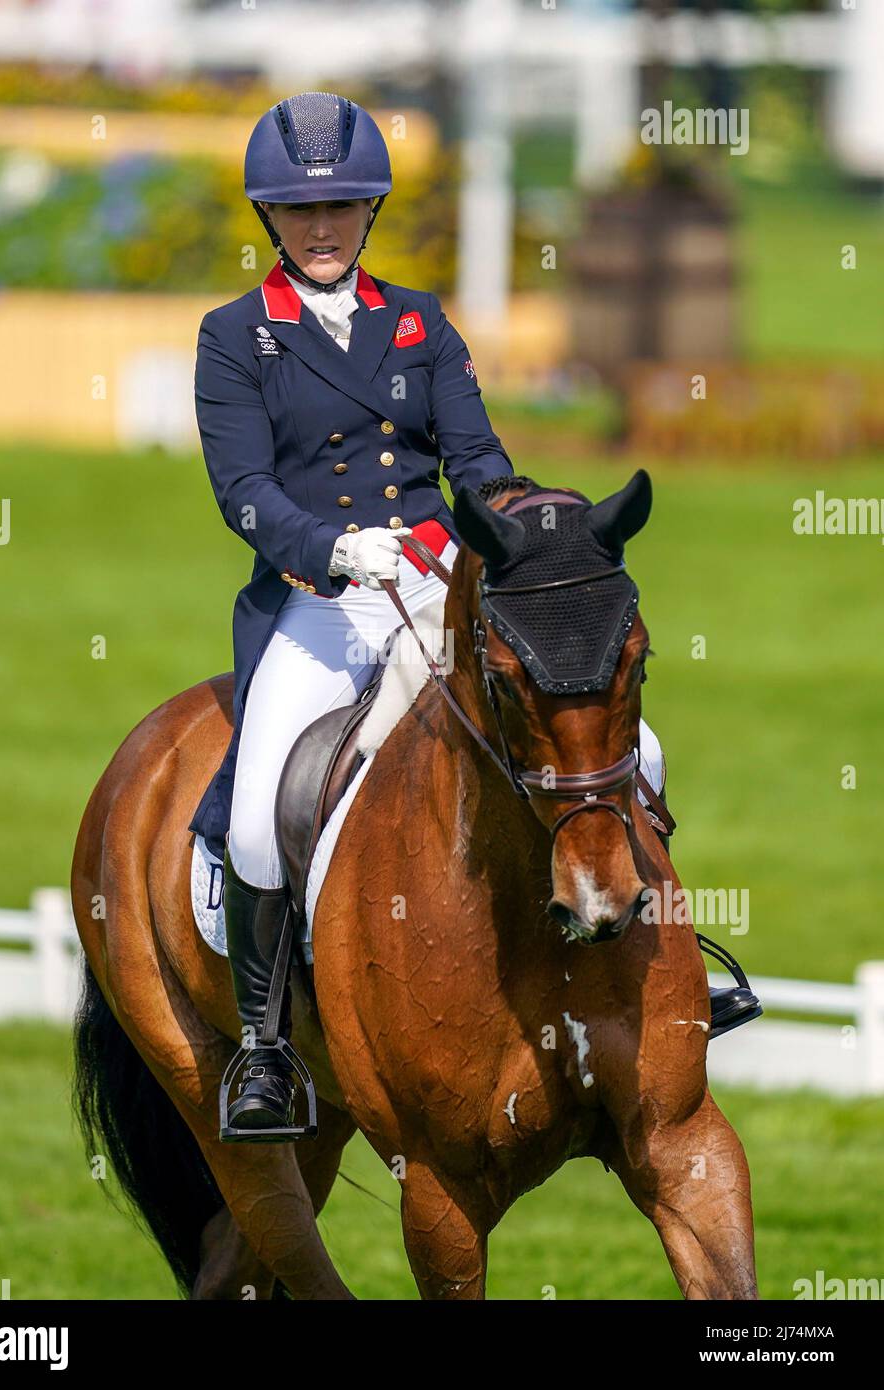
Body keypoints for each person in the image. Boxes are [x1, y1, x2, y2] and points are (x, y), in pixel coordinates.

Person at [190, 92, 755, 1142]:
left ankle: (661, 969)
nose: (324, 230)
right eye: (302, 213)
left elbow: (479, 463)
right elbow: (245, 491)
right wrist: (327, 548)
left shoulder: (419, 321)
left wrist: (532, 522)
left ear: (370, 210)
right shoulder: (235, 338)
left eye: (345, 209)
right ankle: (266, 1048)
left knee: (643, 753)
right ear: (271, 219)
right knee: (265, 807)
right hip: (320, 604)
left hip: (439, 587)